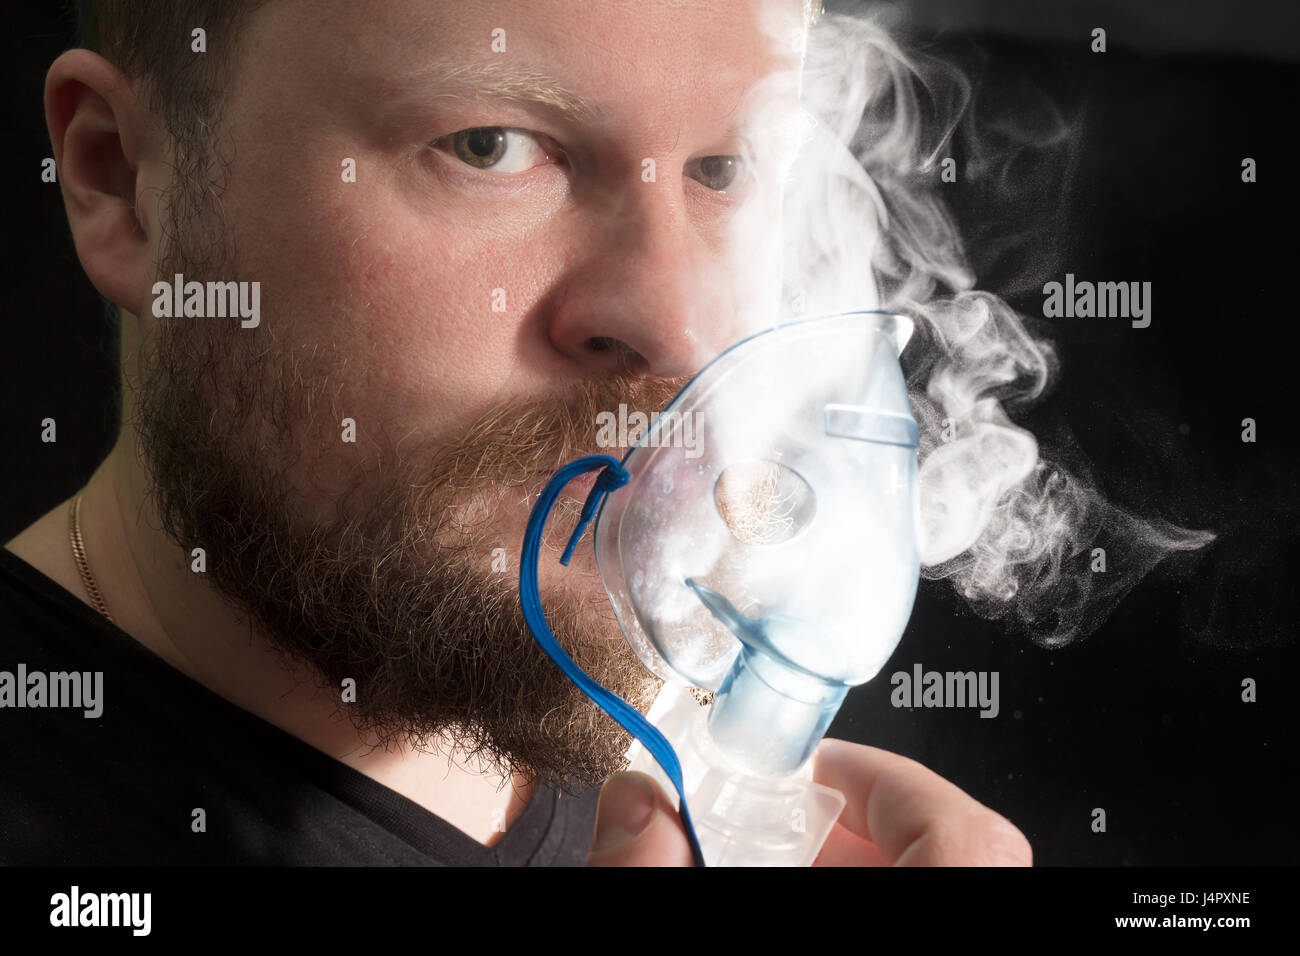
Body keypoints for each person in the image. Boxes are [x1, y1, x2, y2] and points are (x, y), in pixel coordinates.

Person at [2, 0, 1031, 866]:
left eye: (723, 167)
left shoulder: (712, 778)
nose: (679, 327)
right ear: (122, 184)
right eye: (489, 148)